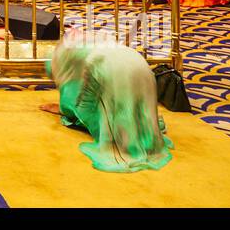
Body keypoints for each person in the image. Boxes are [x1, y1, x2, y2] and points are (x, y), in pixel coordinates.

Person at [42, 31, 173, 172]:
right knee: (122, 102)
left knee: (100, 109)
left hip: (108, 68)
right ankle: (142, 135)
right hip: (140, 64)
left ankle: (126, 142)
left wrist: (65, 111)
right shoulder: (93, 40)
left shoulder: (67, 59)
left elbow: (83, 104)